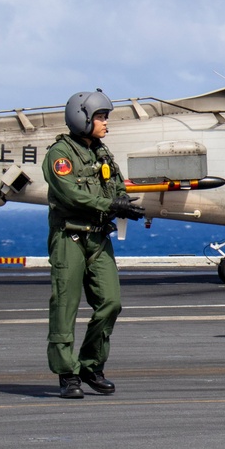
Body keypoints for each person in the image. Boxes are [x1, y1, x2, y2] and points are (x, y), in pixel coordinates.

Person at [44, 89, 145, 399]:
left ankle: (90, 365)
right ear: (82, 118)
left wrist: (123, 202)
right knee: (65, 307)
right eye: (100, 117)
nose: (105, 123)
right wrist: (110, 205)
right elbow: (71, 195)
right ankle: (67, 374)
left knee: (111, 303)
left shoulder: (102, 153)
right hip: (70, 238)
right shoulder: (60, 155)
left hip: (99, 238)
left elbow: (116, 184)